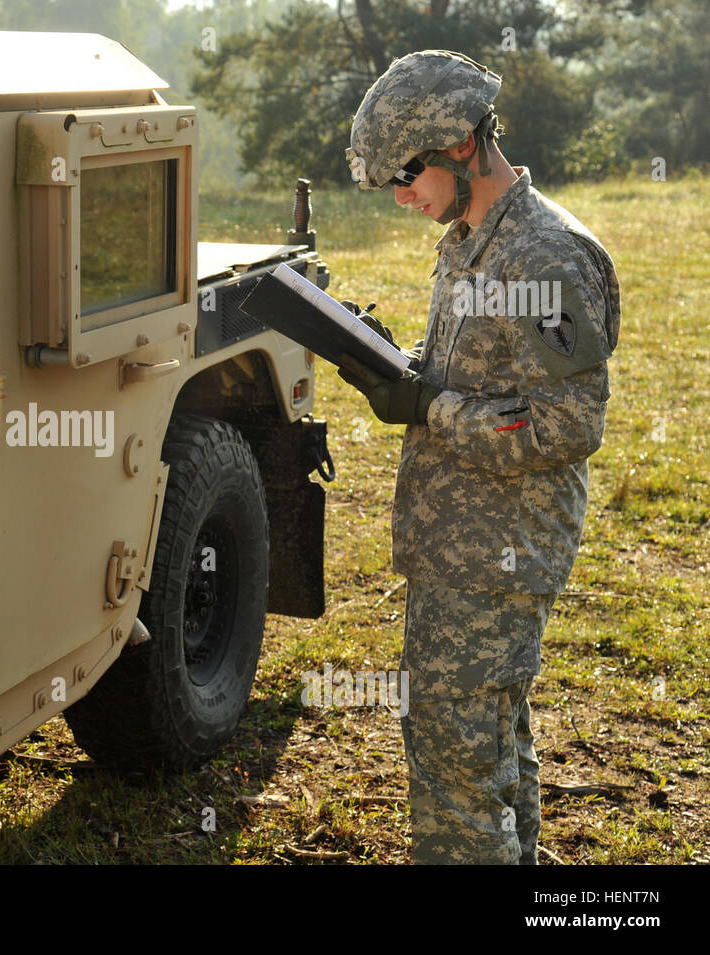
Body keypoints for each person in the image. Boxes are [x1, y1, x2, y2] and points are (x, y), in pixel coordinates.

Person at [336, 50, 621, 864]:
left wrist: (433, 406)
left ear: (462, 144)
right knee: (488, 746)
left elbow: (569, 422)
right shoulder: (470, 236)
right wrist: (399, 370)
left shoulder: (542, 258)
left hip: (500, 551)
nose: (400, 194)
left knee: (456, 766)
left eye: (407, 171)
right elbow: (479, 372)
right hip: (461, 542)